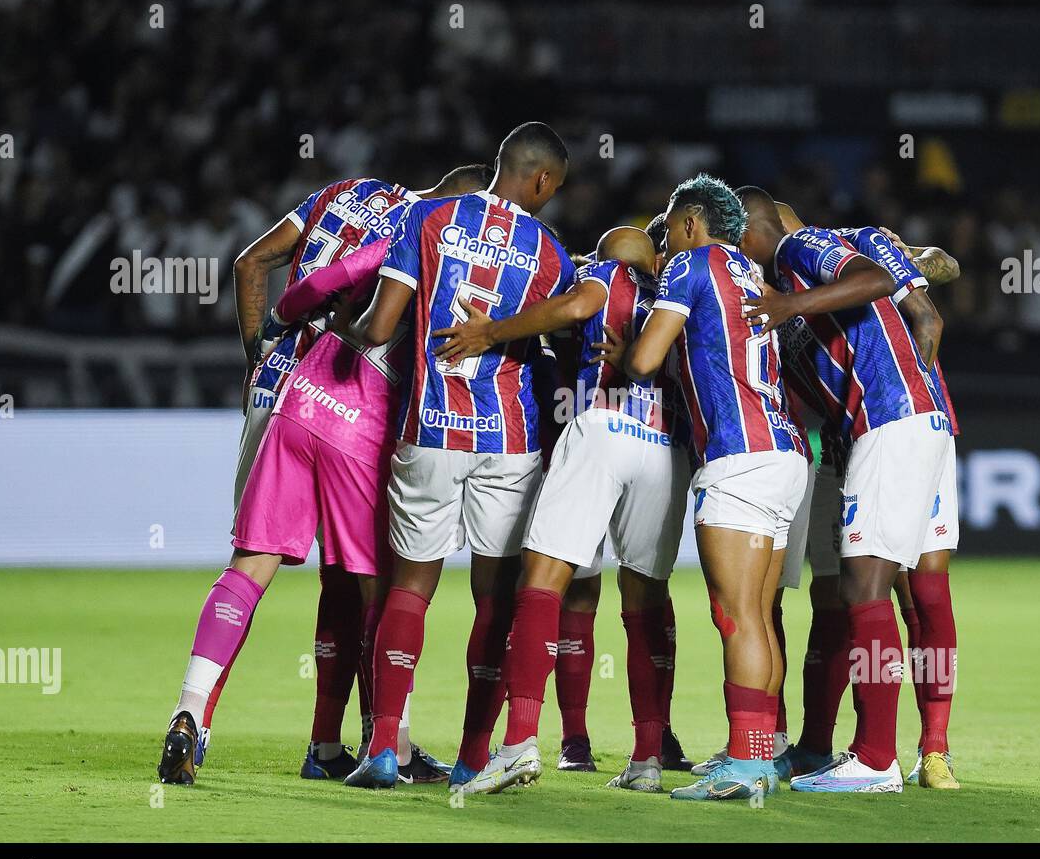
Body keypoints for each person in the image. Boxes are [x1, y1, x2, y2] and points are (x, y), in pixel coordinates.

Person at [156, 165, 493, 786]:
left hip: (288, 392)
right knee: (373, 586)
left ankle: (194, 713)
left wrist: (265, 340)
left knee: (250, 563)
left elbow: (265, 269)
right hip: (360, 412)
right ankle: (387, 741)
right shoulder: (441, 237)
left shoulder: (350, 193)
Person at [614, 173, 873, 801]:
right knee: (757, 616)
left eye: (671, 227)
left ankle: (749, 762)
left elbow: (645, 361)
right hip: (788, 453)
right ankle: (758, 750)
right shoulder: (755, 275)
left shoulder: (692, 264)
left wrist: (621, 347)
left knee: (737, 617)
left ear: (692, 223)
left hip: (738, 457)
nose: (667, 242)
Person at [343, 122, 576, 789]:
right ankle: (475, 756)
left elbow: (381, 327)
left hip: (431, 429)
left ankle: (384, 748)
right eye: (554, 187)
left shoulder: (428, 216)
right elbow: (545, 349)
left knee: (411, 586)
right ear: (539, 180)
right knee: (495, 600)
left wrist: (341, 328)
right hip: (509, 437)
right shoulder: (551, 253)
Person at [431, 225, 693, 794]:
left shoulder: (608, 276)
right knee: (646, 600)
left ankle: (520, 743)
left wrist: (489, 332)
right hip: (666, 445)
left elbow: (576, 302)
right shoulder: (680, 293)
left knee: (543, 581)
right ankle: (648, 756)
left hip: (602, 423)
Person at [735, 187, 951, 793]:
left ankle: (876, 758)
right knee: (867, 587)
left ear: (752, 235)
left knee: (867, 586)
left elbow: (875, 278)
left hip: (892, 417)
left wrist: (788, 304)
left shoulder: (801, 248)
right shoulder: (793, 302)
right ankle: (864, 752)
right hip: (893, 424)